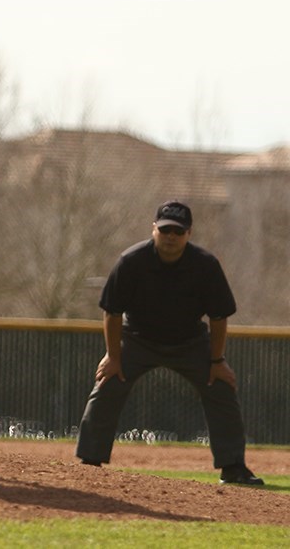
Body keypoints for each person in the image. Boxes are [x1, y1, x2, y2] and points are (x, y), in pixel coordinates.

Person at [76, 201, 264, 485]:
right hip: (138, 339)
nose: (171, 237)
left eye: (177, 231)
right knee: (108, 382)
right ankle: (89, 460)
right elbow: (112, 311)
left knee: (221, 386)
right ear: (154, 229)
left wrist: (216, 361)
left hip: (189, 342)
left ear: (188, 233)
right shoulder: (131, 261)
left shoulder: (205, 265)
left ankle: (233, 467)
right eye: (165, 230)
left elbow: (219, 316)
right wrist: (113, 357)